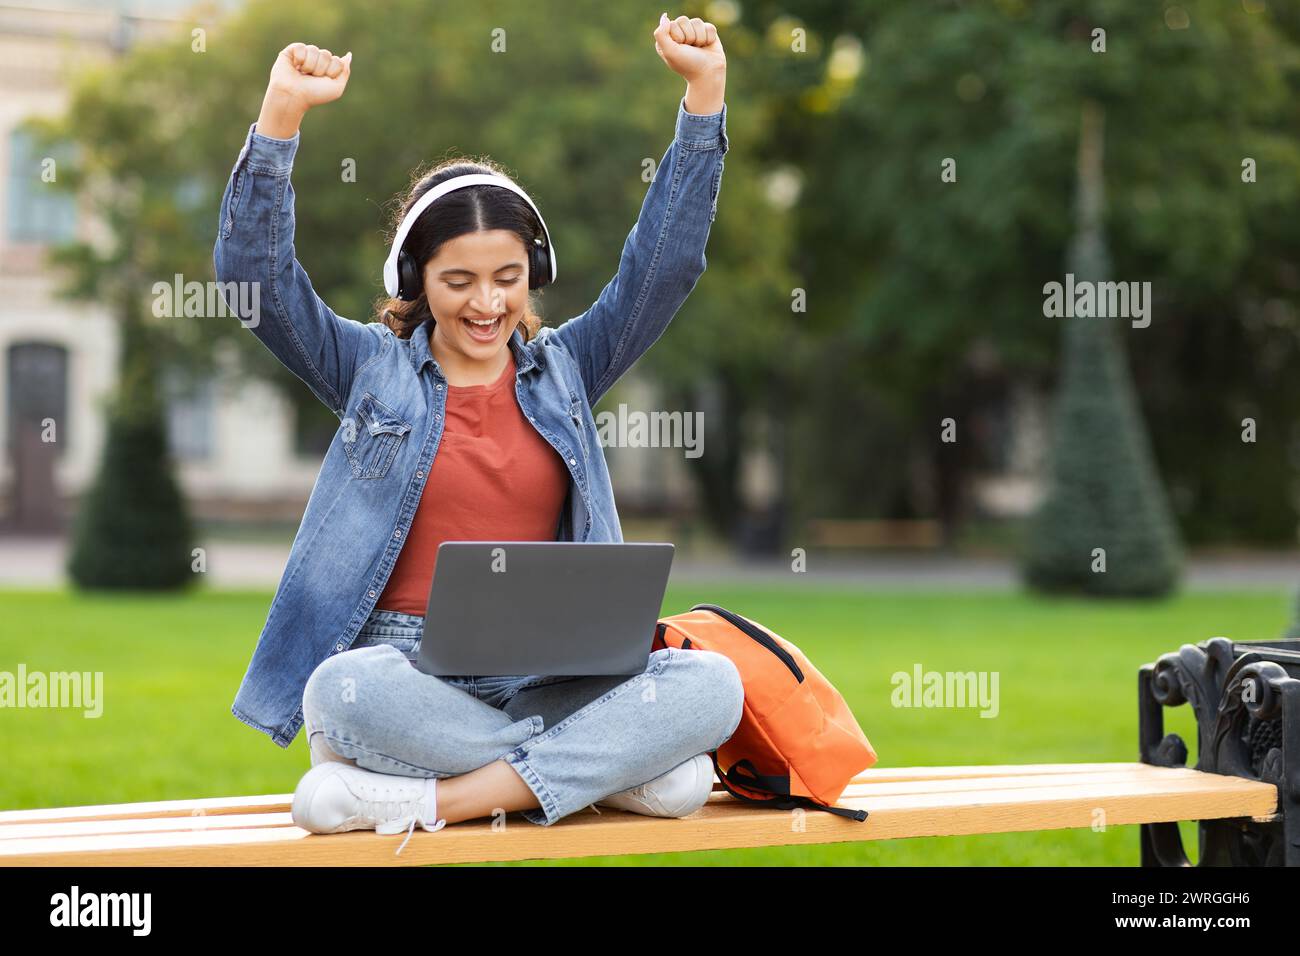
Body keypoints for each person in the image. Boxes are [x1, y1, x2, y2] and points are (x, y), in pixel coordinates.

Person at [213, 15, 741, 853]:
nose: (487, 303)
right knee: (337, 693)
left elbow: (663, 268)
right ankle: (616, 775)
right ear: (415, 280)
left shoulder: (568, 368)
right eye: (458, 280)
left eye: (507, 278)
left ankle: (429, 800)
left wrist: (703, 97)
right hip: (408, 674)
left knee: (714, 684)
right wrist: (281, 117)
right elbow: (255, 284)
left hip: (553, 673)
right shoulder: (370, 369)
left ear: (534, 275)